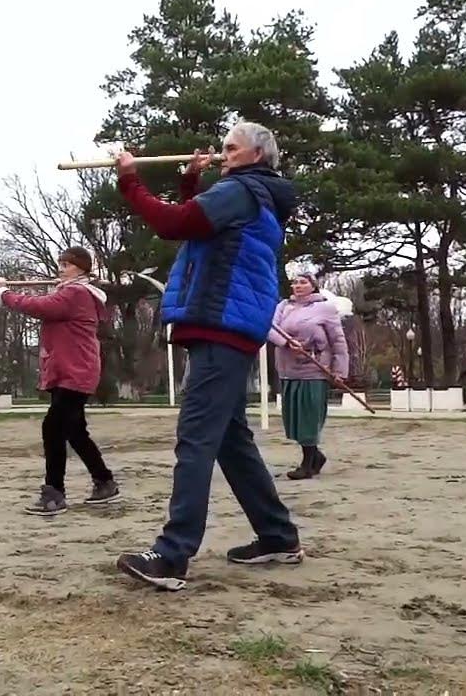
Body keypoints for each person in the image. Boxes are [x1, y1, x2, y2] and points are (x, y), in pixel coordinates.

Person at [111, 122, 303, 591]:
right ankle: (277, 536)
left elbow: (174, 224)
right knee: (230, 440)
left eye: (231, 148)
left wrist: (130, 181)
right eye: (222, 148)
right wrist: (189, 184)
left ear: (257, 154)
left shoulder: (242, 189)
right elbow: (202, 230)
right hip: (228, 327)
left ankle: (173, 555)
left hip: (222, 326)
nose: (223, 153)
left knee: (195, 438)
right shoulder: (249, 193)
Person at [0, 246, 120, 516]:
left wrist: (3, 292)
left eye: (67, 264)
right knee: (74, 431)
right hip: (71, 370)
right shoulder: (73, 292)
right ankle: (104, 481)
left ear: (82, 269)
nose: (61, 267)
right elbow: (53, 306)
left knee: (53, 428)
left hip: (76, 372)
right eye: (60, 263)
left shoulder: (75, 293)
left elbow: (38, 307)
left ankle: (54, 494)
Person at [268, 273, 348, 480]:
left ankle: (307, 463)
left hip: (315, 369)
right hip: (288, 369)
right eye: (295, 282)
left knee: (308, 419)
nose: (298, 286)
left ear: (313, 286)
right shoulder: (283, 306)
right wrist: (286, 343)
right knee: (294, 419)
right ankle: (316, 457)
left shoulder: (325, 308)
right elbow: (269, 329)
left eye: (303, 282)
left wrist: (340, 371)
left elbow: (338, 341)